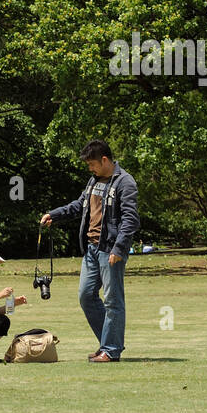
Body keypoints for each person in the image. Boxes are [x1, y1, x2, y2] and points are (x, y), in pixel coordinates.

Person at [40, 138, 140, 363]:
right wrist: (54, 215)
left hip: (110, 250)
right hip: (91, 249)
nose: (90, 168)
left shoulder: (125, 182)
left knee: (113, 300)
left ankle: (111, 349)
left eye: (92, 164)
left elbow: (130, 220)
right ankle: (108, 343)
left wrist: (119, 248)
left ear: (104, 160)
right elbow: (79, 206)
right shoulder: (93, 181)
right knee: (86, 296)